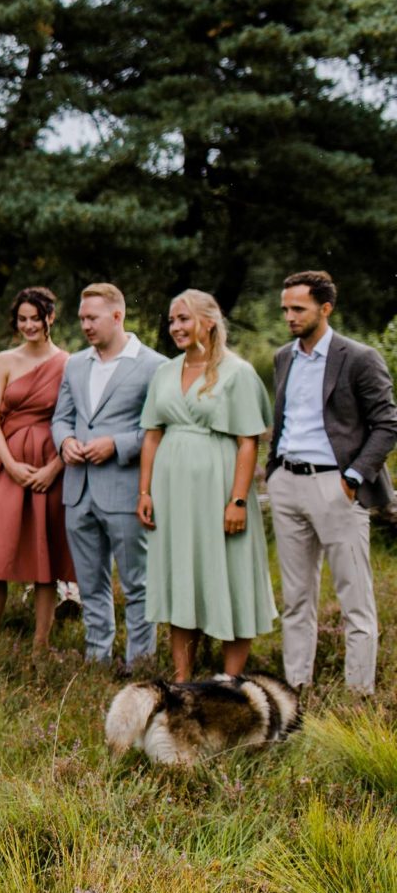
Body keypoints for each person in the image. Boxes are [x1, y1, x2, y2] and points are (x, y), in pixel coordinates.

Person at [268, 271, 397, 695]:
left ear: (325, 308)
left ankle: (359, 698)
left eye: (298, 308)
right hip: (288, 483)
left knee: (355, 601)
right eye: (286, 308)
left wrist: (354, 477)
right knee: (296, 599)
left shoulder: (358, 357)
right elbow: (283, 419)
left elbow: (387, 424)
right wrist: (274, 473)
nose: (289, 316)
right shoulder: (284, 357)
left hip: (337, 487)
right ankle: (295, 691)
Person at [137, 290, 275, 682]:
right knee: (182, 573)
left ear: (209, 322)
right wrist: (144, 492)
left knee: (230, 573)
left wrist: (237, 500)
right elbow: (151, 435)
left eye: (183, 318)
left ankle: (230, 680)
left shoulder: (238, 372)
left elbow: (249, 441)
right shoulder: (165, 371)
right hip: (172, 492)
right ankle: (183, 678)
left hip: (219, 488)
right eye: (171, 320)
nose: (175, 327)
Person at [51, 283, 167, 669]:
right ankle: (97, 659)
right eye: (82, 317)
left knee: (137, 584)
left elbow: (157, 427)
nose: (85, 325)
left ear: (117, 317)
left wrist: (116, 445)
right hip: (78, 490)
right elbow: (61, 417)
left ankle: (140, 663)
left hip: (124, 488)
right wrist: (65, 440)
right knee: (90, 584)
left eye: (92, 318)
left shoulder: (154, 365)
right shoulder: (76, 363)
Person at [0, 288, 74, 655]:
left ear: (50, 318)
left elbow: (76, 421)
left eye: (35, 318)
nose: (29, 325)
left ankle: (41, 641)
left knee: (46, 553)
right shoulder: (5, 361)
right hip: (6, 461)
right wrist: (9, 463)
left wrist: (55, 468)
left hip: (49, 460)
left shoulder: (69, 363)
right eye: (22, 319)